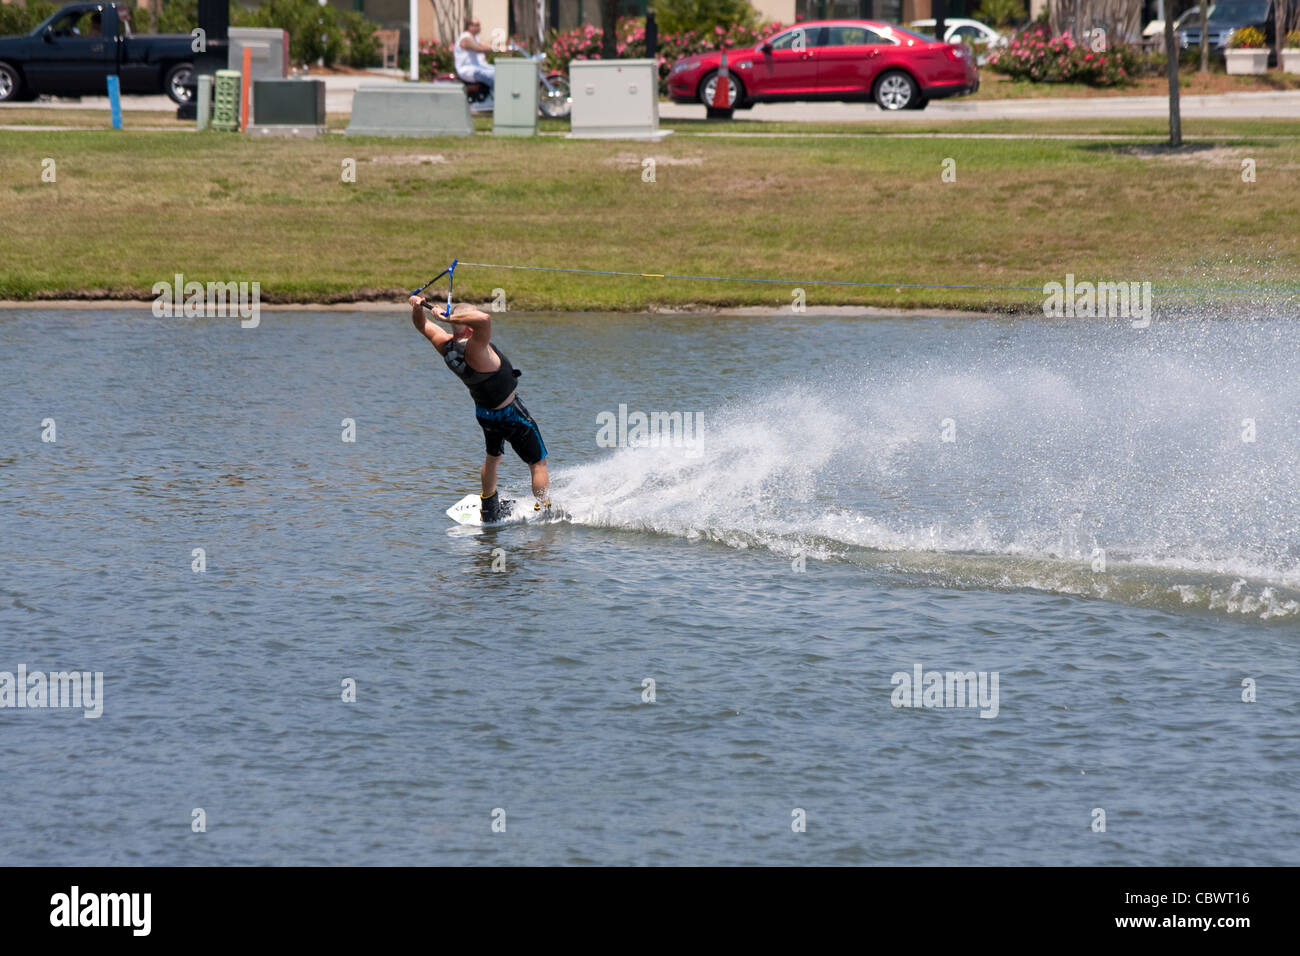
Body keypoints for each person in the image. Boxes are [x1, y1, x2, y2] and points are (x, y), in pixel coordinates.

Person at [409, 295, 550, 522]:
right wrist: (449, 318)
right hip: (511, 414)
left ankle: (489, 509)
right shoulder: (476, 349)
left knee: (492, 458)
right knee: (538, 463)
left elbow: (423, 325)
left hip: (485, 415)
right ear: (468, 329)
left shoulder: (445, 345)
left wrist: (417, 308)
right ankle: (546, 511)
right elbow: (484, 318)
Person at [453, 17, 495, 96]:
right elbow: (478, 48)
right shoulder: (465, 38)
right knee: (493, 76)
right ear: (470, 26)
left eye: (479, 25)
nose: (479, 27)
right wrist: (496, 49)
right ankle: (497, 101)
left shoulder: (474, 38)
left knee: (500, 71)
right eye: (477, 25)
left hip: (477, 67)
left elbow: (486, 45)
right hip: (467, 70)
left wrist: (504, 48)